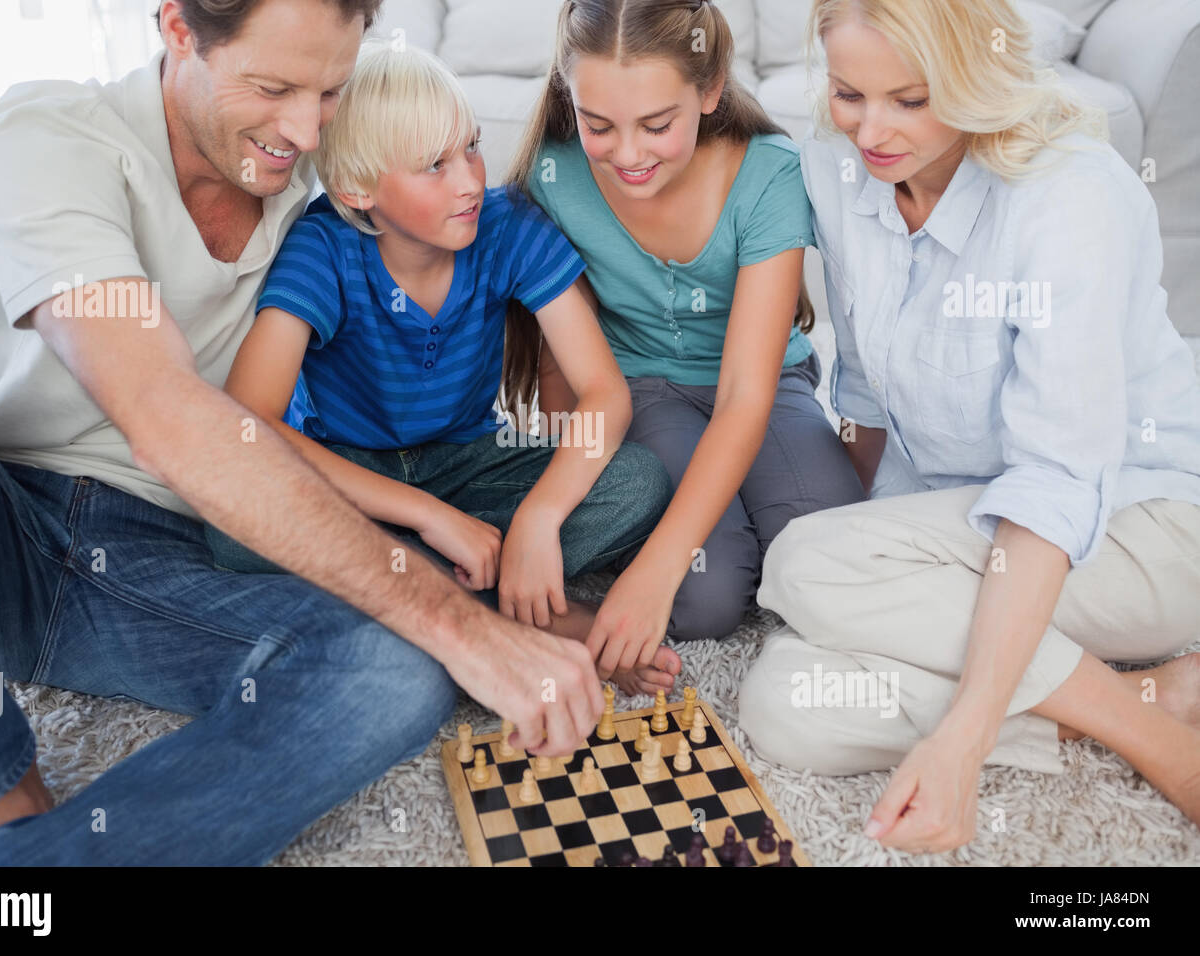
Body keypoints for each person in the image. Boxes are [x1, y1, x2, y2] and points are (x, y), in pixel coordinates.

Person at [0, 0, 602, 867]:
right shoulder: (50, 138)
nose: (305, 131)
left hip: (182, 544)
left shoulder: (315, 199)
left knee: (393, 672)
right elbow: (163, 414)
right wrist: (467, 628)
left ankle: (22, 875)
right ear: (178, 30)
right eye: (272, 87)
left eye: (331, 91)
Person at [740, 0, 1200, 853]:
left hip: (1135, 526)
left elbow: (1055, 486)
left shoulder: (1070, 198)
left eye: (911, 100)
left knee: (807, 562)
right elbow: (871, 399)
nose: (871, 130)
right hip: (968, 519)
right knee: (788, 700)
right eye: (848, 93)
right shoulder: (842, 171)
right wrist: (863, 538)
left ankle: (1155, 740)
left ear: (975, 79)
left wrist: (964, 737)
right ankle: (1145, 697)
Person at [207, 41, 670, 649]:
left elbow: (604, 396)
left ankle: (409, 592)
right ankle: (500, 610)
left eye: (472, 147)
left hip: (469, 460)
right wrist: (431, 517)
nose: (470, 181)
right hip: (350, 469)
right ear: (355, 189)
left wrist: (538, 520)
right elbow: (249, 420)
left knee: (639, 482)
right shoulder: (323, 248)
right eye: (435, 166)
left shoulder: (508, 225)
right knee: (230, 527)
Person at [506, 0, 865, 695]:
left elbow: (744, 397)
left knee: (832, 559)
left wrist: (656, 562)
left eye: (657, 125)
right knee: (705, 599)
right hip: (641, 387)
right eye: (598, 124)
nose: (629, 154)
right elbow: (560, 355)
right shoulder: (553, 176)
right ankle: (722, 546)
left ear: (710, 89)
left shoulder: (769, 172)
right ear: (566, 94)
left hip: (764, 385)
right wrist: (575, 488)